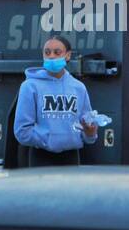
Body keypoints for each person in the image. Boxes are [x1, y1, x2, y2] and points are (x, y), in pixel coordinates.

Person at [13, 35, 98, 167]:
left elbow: (87, 129)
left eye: (57, 52)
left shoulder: (78, 87)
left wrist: (90, 134)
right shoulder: (30, 86)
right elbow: (22, 131)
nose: (51, 56)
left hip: (71, 157)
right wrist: (51, 140)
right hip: (41, 157)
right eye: (47, 52)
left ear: (68, 55)